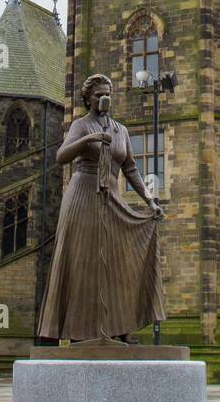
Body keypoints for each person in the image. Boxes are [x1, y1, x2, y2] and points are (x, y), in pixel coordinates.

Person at [37, 73, 166, 342]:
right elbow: (61, 157)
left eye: (107, 93)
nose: (104, 98)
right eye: (98, 95)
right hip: (83, 193)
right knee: (84, 261)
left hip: (112, 197)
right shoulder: (81, 125)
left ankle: (120, 328)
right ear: (88, 99)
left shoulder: (121, 130)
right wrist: (88, 140)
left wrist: (149, 200)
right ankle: (79, 332)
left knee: (119, 261)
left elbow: (130, 167)